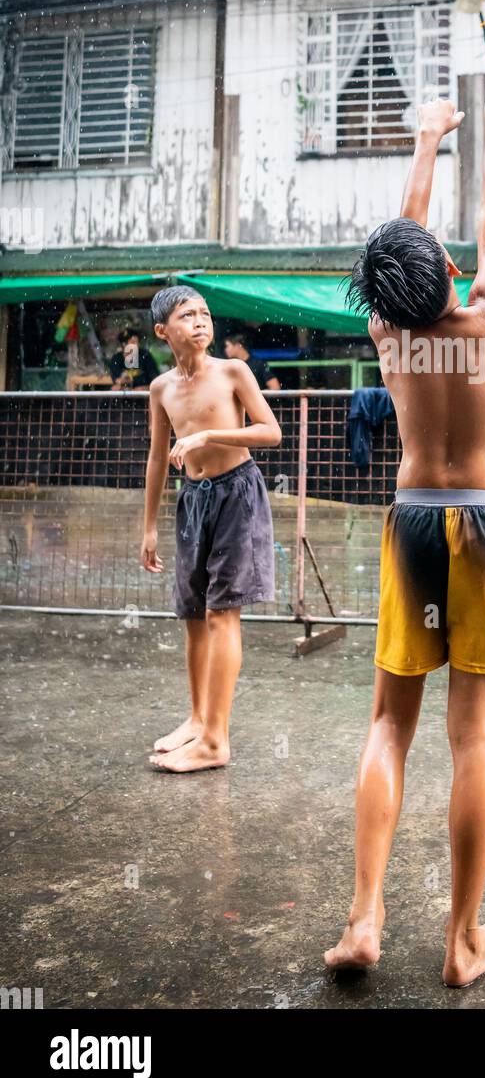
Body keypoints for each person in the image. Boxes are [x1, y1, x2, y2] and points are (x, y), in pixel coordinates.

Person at [326, 88, 485, 988]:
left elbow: (399, 257)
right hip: (483, 520)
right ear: (446, 268)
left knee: (387, 724)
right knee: (474, 739)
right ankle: (461, 941)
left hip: (411, 520)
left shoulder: (389, 333)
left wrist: (423, 140)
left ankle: (365, 918)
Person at [140, 286, 282, 773]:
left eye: (204, 313)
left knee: (222, 614)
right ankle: (198, 719)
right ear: (163, 331)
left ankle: (216, 740)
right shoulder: (160, 389)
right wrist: (148, 529)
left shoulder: (233, 372)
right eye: (187, 315)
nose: (200, 321)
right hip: (193, 500)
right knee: (194, 616)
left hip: (237, 494)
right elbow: (158, 458)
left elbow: (270, 431)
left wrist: (207, 434)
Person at [109, 326, 160, 391]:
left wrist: (144, 388)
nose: (136, 345)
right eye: (133, 342)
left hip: (143, 395)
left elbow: (155, 379)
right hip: (125, 396)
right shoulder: (116, 359)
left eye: (137, 342)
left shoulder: (145, 356)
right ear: (124, 344)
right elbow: (118, 381)